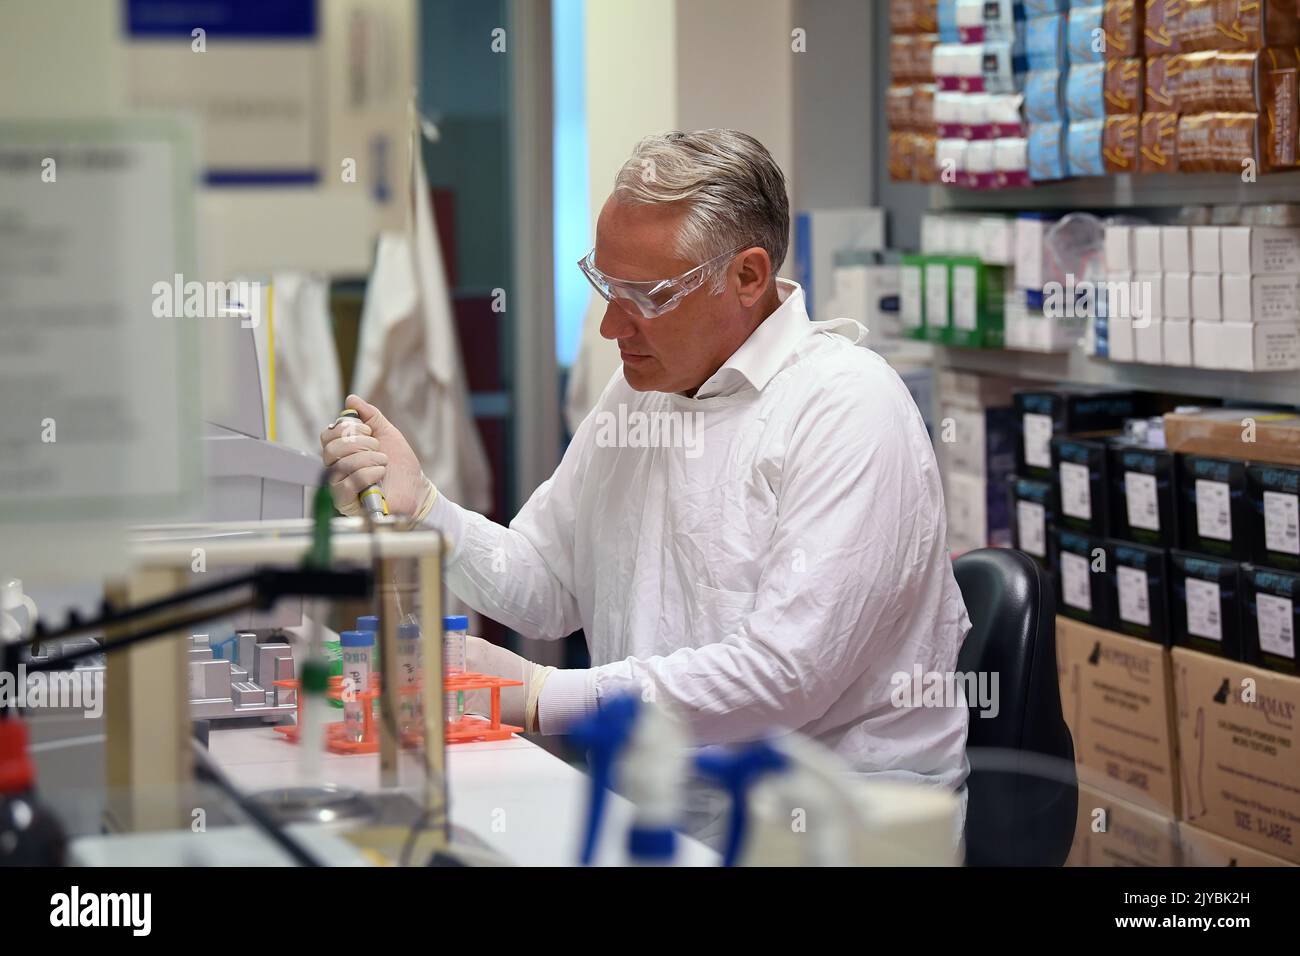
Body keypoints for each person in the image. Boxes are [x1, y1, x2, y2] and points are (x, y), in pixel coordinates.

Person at [321, 129, 970, 800]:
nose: (610, 327)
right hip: (659, 808)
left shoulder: (845, 406)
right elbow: (546, 586)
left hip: (825, 828)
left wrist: (545, 695)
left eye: (648, 296)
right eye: (605, 285)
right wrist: (427, 509)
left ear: (747, 276)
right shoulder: (642, 394)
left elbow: (787, 675)